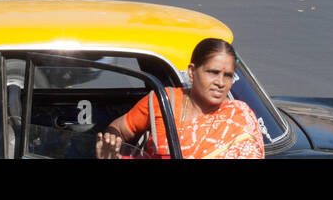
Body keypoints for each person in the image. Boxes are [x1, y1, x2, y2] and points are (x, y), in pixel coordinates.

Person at [96, 38, 264, 159]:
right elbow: (118, 129)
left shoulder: (240, 117)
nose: (220, 82)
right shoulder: (163, 101)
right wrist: (111, 141)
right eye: (212, 72)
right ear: (191, 72)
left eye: (227, 75)